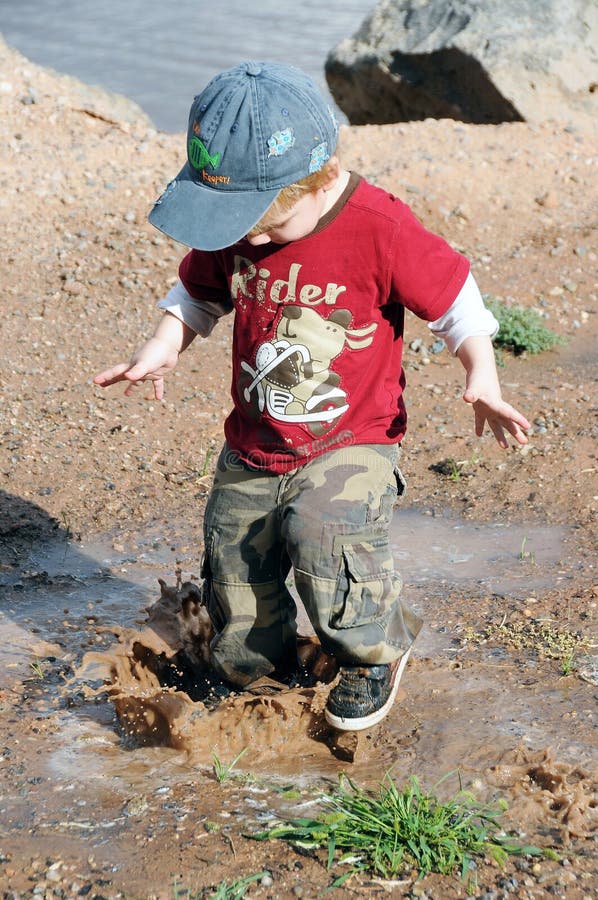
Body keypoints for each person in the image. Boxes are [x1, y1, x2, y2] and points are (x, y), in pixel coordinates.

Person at [94, 61, 530, 732]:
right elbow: (199, 291)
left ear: (322, 178)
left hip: (351, 436)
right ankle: (258, 666)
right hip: (256, 439)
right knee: (235, 556)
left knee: (325, 537)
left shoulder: (379, 227)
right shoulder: (241, 226)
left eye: (266, 227)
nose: (251, 241)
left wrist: (483, 374)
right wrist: (165, 341)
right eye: (238, 226)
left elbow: (455, 298)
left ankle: (372, 651)